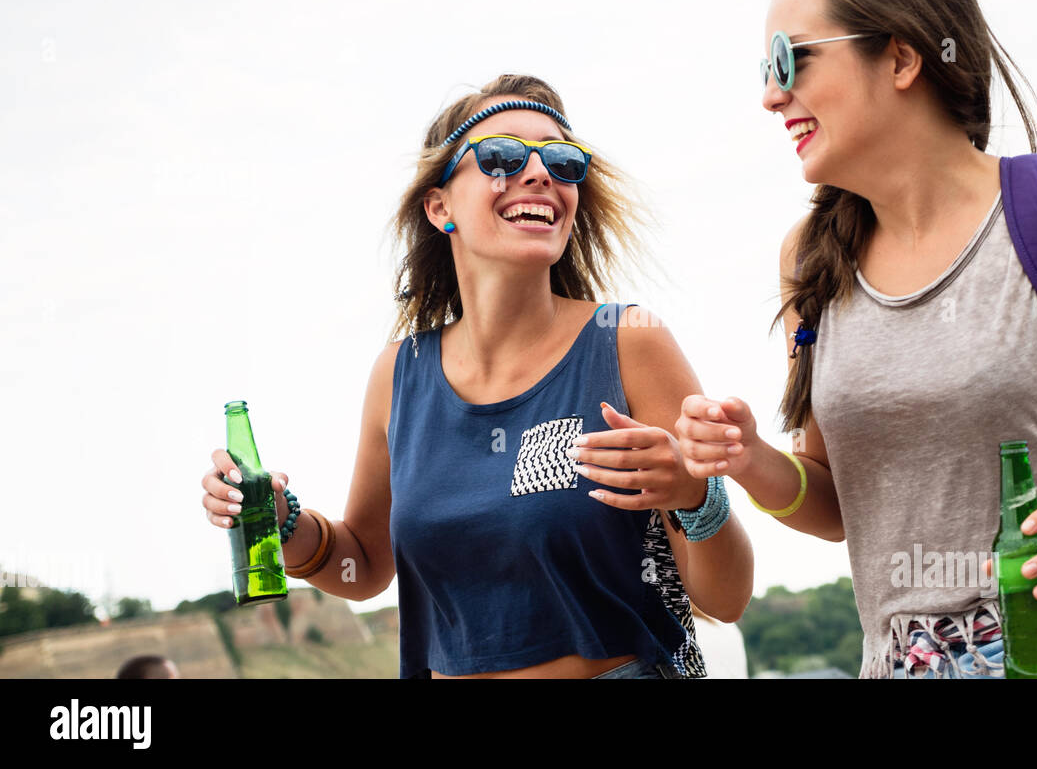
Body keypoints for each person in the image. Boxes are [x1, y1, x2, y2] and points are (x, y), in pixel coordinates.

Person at [675, 0, 1037, 678]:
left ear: (902, 58)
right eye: (764, 73)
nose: (772, 98)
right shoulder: (809, 260)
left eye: (790, 60)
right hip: (910, 663)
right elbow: (838, 504)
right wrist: (750, 461)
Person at [201, 74, 753, 678]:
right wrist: (284, 524)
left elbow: (724, 601)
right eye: (502, 156)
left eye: (564, 161)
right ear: (440, 207)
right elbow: (361, 568)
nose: (541, 174)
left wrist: (696, 496)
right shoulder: (398, 373)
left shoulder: (630, 341)